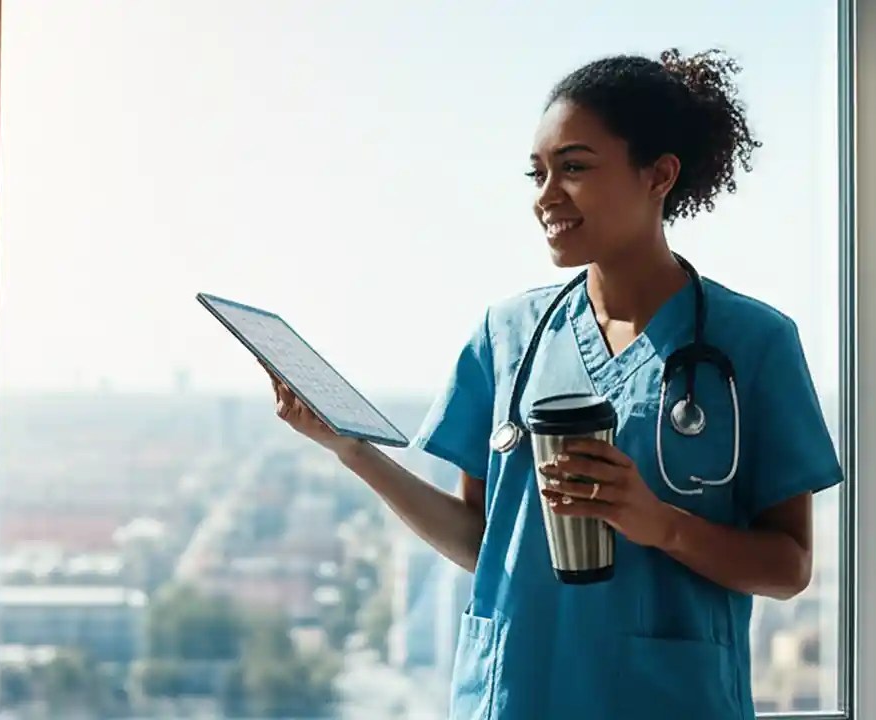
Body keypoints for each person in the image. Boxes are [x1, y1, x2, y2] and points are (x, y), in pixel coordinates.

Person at [266, 48, 843, 719]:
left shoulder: (755, 344)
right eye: (537, 173)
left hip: (668, 699)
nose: (546, 196)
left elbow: (787, 566)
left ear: (658, 175)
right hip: (516, 695)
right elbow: (480, 541)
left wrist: (659, 524)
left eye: (573, 167)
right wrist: (351, 450)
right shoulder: (506, 335)